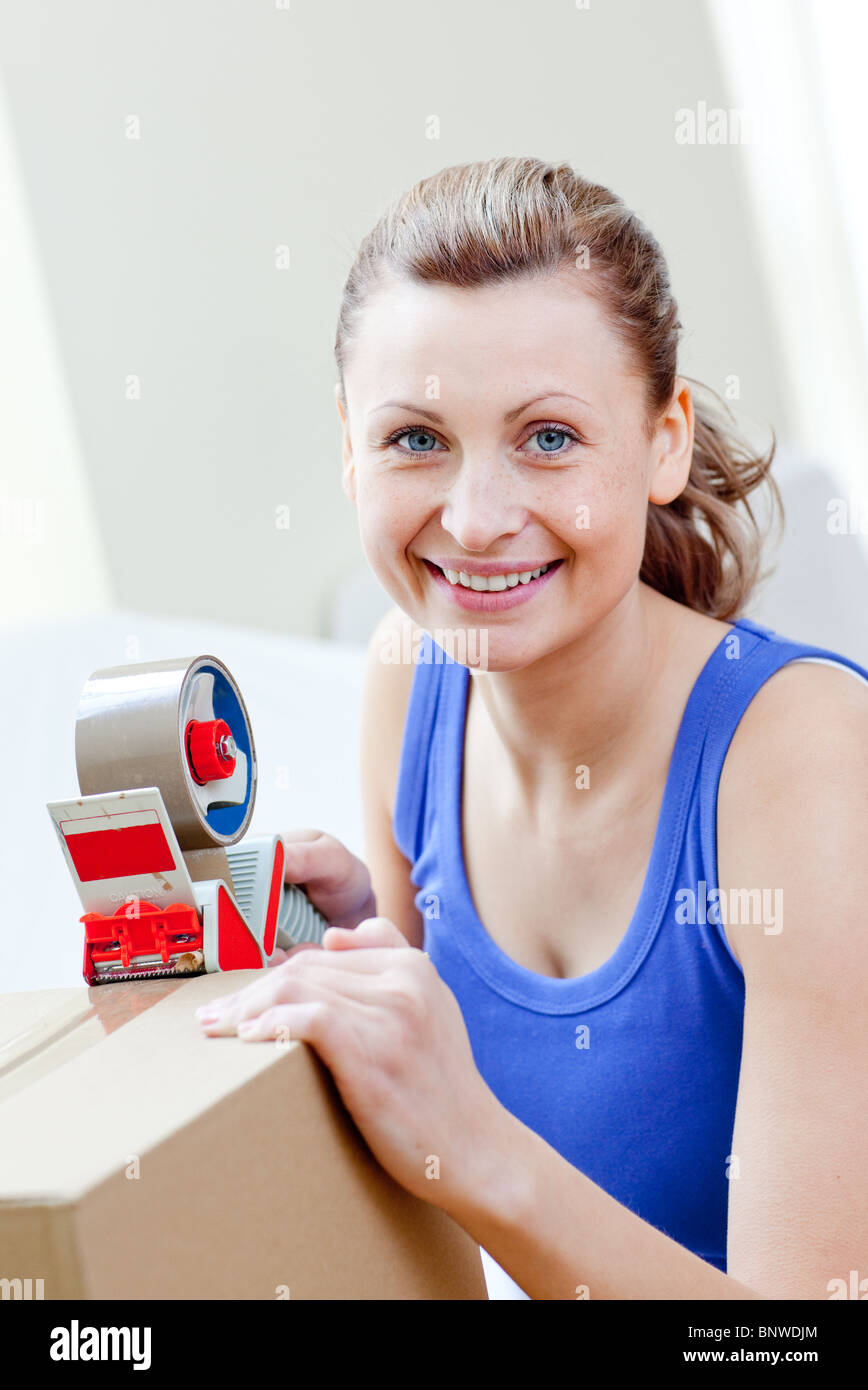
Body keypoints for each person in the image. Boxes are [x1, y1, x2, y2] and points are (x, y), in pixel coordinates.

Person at [195, 157, 868, 1300]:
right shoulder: (409, 685)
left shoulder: (802, 756)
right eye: (416, 438)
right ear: (351, 452)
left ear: (663, 442)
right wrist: (387, 962)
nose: (475, 518)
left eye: (548, 437)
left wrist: (476, 1140)